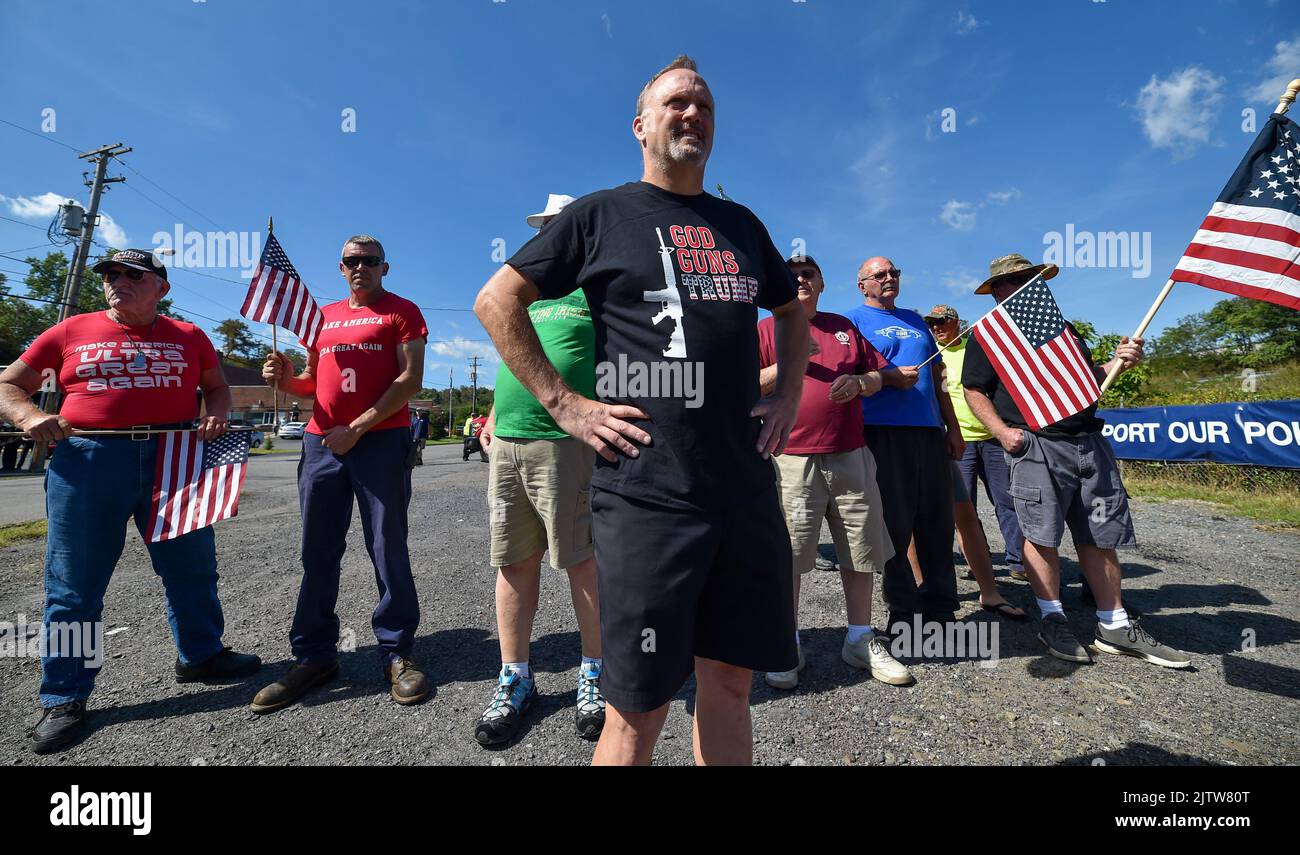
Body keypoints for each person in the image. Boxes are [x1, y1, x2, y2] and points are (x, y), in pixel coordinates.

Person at [475, 56, 809, 766]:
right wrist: (566, 405)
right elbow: (496, 301)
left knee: (728, 683)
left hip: (743, 491)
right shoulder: (600, 216)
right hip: (648, 495)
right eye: (677, 102)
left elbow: (790, 309)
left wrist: (786, 393)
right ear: (640, 125)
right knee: (639, 707)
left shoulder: (741, 224)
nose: (694, 115)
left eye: (706, 106)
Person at [0, 248, 261, 754]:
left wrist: (216, 414)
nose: (118, 281)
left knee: (192, 569)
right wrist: (29, 417)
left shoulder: (189, 336)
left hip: (174, 457)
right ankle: (64, 695)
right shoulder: (72, 330)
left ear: (161, 287)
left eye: (132, 275)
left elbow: (218, 388)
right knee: (74, 585)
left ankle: (201, 656)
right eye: (111, 275)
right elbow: (10, 383)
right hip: (89, 459)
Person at [961, 253, 1189, 667]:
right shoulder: (988, 335)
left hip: (1088, 441)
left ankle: (1114, 624)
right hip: (1036, 445)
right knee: (1040, 535)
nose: (1032, 284)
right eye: (1018, 280)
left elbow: (1085, 381)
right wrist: (1002, 432)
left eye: (1034, 277)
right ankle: (1053, 618)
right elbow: (974, 389)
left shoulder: (1061, 328)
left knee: (1100, 534)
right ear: (997, 290)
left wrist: (1116, 361)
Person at [253, 234, 432, 712]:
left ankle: (397, 652)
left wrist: (358, 427)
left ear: (384, 268)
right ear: (341, 267)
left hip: (378, 440)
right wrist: (285, 381)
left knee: (386, 545)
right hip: (321, 443)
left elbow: (410, 378)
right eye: (352, 261)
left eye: (370, 261)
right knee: (318, 550)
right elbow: (312, 384)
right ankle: (313, 656)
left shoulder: (402, 312)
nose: (361, 267)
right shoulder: (322, 318)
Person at [473, 192, 606, 747]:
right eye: (547, 226)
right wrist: (495, 417)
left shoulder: (595, 290)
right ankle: (515, 676)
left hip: (566, 444)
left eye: (561, 226)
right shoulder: (522, 293)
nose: (552, 234)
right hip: (508, 442)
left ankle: (596, 672)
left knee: (580, 561)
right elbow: (513, 358)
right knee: (513, 562)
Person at [758, 254, 912, 689]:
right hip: (789, 456)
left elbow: (884, 374)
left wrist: (864, 384)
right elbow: (743, 388)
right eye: (792, 275)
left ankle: (860, 639)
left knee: (860, 549)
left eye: (809, 273)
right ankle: (785, 644)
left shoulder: (845, 327)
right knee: (789, 554)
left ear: (823, 283)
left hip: (850, 453)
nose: (801, 280)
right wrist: (787, 363)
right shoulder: (765, 329)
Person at [846, 258, 964, 631]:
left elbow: (940, 378)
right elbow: (847, 377)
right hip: (883, 431)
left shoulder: (916, 321)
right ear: (862, 285)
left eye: (894, 272)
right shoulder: (852, 322)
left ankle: (941, 606)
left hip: (929, 431)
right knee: (894, 523)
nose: (888, 278)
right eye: (878, 275)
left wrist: (954, 427)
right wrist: (887, 377)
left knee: (937, 521)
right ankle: (904, 611)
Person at [923, 304, 1026, 620]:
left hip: (991, 436)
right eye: (932, 323)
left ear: (955, 321)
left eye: (942, 321)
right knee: (962, 509)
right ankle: (975, 565)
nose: (937, 326)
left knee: (1007, 501)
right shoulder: (930, 354)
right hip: (959, 441)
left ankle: (1018, 562)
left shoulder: (974, 346)